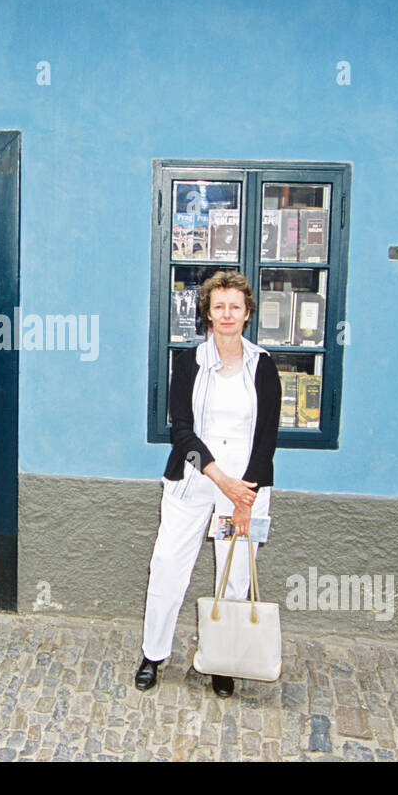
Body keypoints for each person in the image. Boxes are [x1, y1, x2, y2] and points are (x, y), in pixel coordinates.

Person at [135, 270, 281, 698]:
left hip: (247, 489)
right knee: (166, 567)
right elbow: (181, 432)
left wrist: (243, 496)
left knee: (234, 577)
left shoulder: (264, 365)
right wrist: (221, 480)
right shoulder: (189, 363)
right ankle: (153, 654)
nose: (227, 314)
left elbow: (267, 438)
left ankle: (223, 658)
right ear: (208, 314)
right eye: (219, 307)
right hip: (193, 482)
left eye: (235, 306)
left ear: (248, 313)